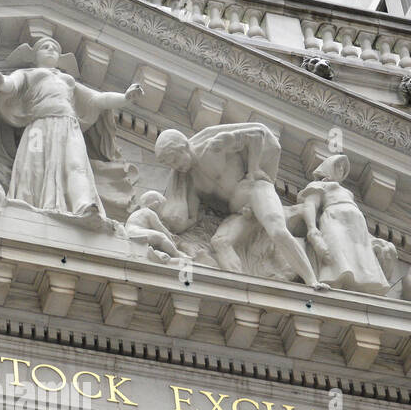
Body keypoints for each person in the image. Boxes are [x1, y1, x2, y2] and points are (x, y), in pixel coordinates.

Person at [0, 36, 142, 226]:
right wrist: (0, 82)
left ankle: (83, 205)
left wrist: (125, 98)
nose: (50, 49)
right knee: (33, 166)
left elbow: (98, 99)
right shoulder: (29, 74)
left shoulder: (67, 80)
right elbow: (11, 84)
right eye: (45, 47)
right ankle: (26, 204)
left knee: (77, 165)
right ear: (35, 55)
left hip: (68, 127)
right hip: (38, 128)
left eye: (55, 48)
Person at [155, 124, 323, 288]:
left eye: (176, 159)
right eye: (172, 165)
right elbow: (191, 218)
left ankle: (311, 280)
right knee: (220, 242)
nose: (177, 166)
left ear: (184, 145)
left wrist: (253, 168)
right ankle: (244, 288)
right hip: (239, 212)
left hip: (255, 191)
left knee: (278, 231)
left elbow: (257, 134)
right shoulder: (191, 181)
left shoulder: (214, 146)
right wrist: (164, 229)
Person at [296, 154, 389, 295]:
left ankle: (357, 288)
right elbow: (310, 205)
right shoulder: (320, 185)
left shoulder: (347, 193)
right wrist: (312, 229)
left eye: (342, 168)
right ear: (328, 168)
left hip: (356, 227)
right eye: (338, 166)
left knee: (359, 258)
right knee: (338, 253)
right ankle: (337, 285)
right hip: (335, 219)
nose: (341, 169)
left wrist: (371, 238)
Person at [124, 190, 183, 261]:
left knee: (157, 238)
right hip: (135, 232)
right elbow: (161, 229)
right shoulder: (150, 212)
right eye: (162, 208)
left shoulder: (139, 212)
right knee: (161, 236)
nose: (162, 212)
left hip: (131, 232)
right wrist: (171, 241)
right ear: (156, 204)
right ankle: (178, 254)